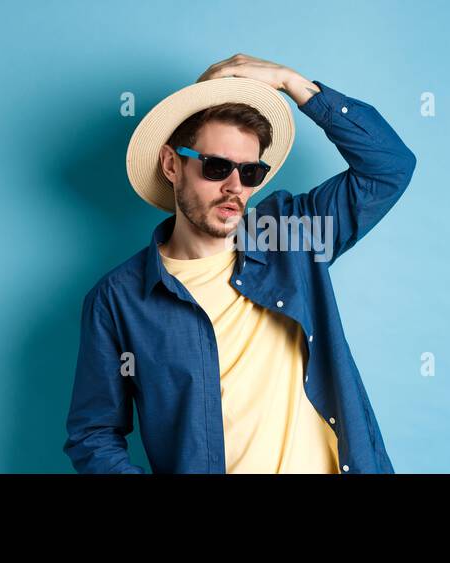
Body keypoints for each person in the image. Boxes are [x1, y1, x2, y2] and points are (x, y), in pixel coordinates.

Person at [64, 53, 417, 473]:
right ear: (172, 164)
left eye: (250, 173)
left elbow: (389, 167)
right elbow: (94, 434)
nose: (234, 187)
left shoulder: (292, 237)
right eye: (216, 167)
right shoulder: (118, 300)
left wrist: (292, 82)